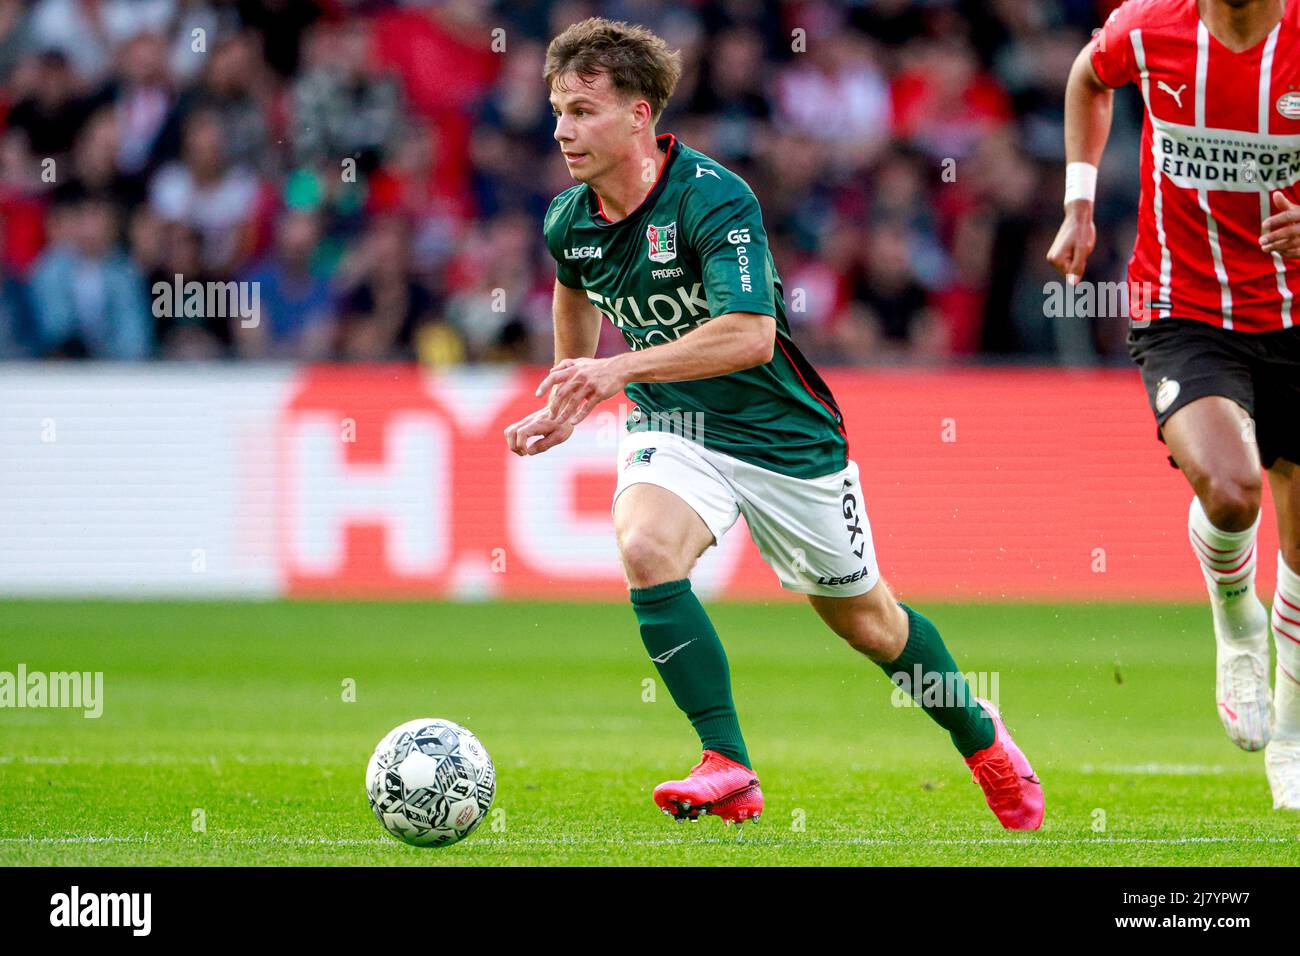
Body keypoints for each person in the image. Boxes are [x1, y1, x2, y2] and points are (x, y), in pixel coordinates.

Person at [505, 17, 1044, 830]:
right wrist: (568, 391)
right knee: (646, 547)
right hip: (675, 425)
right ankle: (727, 761)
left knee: (870, 623)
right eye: (557, 110)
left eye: (582, 111)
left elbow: (751, 334)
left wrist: (615, 368)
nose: (561, 130)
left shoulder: (713, 197)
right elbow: (574, 284)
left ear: (640, 115)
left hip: (788, 441)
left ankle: (981, 737)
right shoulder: (568, 219)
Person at [1046, 0, 1300, 809]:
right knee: (1231, 489)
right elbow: (1089, 76)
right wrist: (1078, 200)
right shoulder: (1149, 27)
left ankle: (1291, 741)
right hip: (1184, 309)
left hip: (1297, 316)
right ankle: (1235, 624)